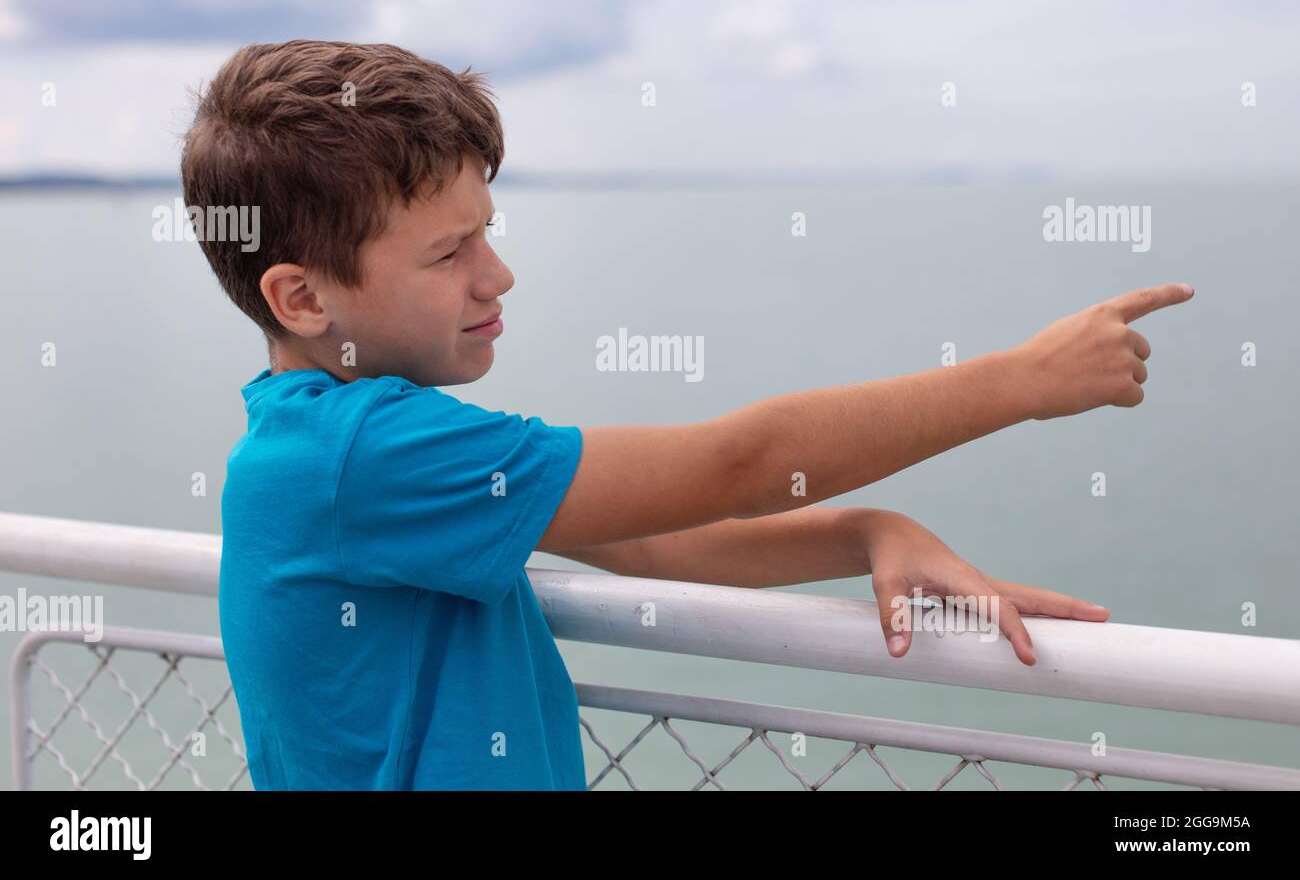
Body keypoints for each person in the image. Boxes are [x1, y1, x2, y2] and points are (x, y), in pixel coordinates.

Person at [182, 40, 1194, 790]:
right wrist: (1023, 379)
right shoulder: (359, 452)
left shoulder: (335, 442)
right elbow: (738, 463)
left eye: (486, 231)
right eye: (450, 253)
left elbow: (652, 537)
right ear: (302, 298)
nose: (498, 274)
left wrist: (867, 532)